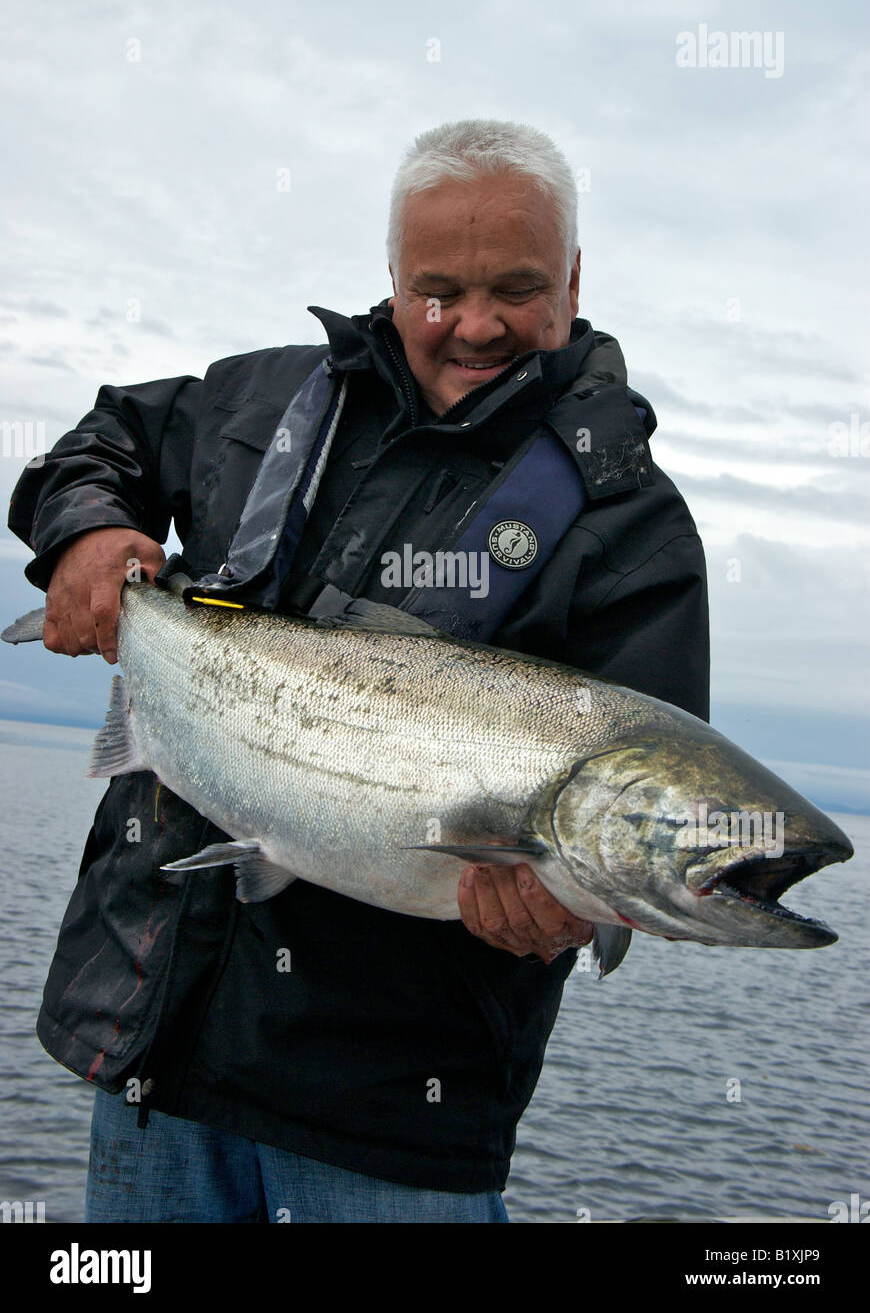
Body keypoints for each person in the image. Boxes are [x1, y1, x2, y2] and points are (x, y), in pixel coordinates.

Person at [8, 119, 709, 1223]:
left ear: (573, 279)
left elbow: (643, 810)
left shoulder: (632, 525)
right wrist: (90, 532)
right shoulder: (261, 401)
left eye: (517, 288)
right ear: (392, 279)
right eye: (438, 290)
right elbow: (105, 444)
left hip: (391, 1138)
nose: (475, 325)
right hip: (153, 1057)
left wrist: (568, 911)